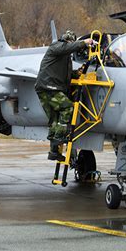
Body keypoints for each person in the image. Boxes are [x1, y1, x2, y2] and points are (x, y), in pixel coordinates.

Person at [35, 30, 93, 161]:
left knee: (54, 120)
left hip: (49, 88)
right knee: (67, 108)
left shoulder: (64, 58)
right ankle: (60, 138)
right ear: (68, 41)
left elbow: (65, 74)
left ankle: (54, 151)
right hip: (48, 88)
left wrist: (77, 73)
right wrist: (84, 43)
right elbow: (67, 47)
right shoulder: (56, 47)